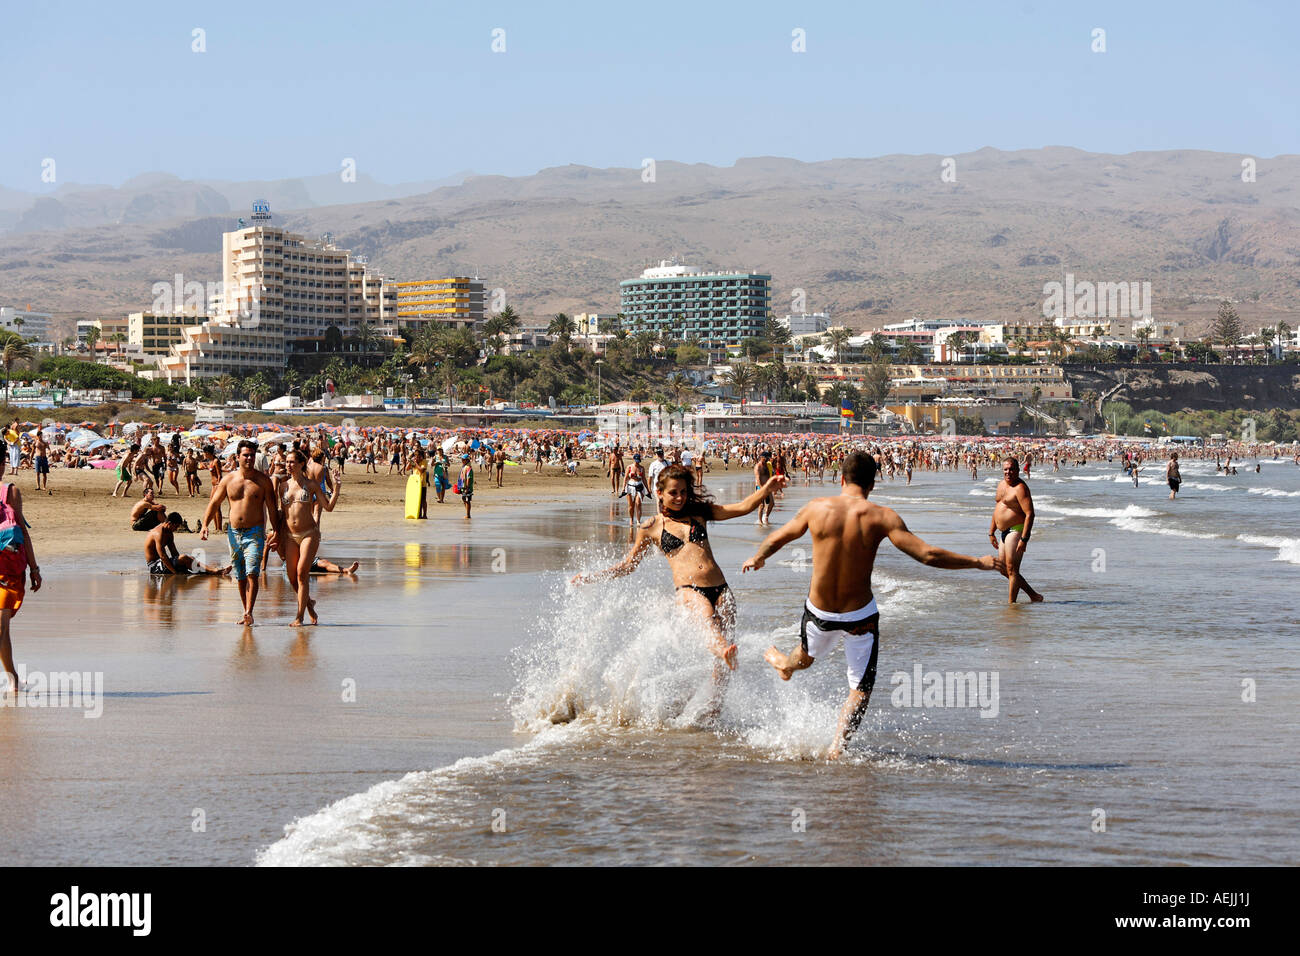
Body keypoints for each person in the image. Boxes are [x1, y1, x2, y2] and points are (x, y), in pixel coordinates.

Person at [743, 451, 998, 759]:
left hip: (819, 610)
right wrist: (977, 562)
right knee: (860, 690)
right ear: (872, 484)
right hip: (859, 616)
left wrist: (759, 556)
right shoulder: (882, 516)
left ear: (841, 478)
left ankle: (785, 663)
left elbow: (779, 538)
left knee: (806, 656)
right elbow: (927, 555)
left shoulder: (816, 508)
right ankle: (838, 747)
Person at [573, 465, 789, 676]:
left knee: (724, 660)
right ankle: (723, 650)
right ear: (659, 493)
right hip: (689, 590)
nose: (679, 497)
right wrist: (592, 577)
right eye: (673, 493)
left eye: (683, 492)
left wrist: (767, 489)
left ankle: (714, 705)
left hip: (721, 589)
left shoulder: (700, 514)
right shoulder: (651, 527)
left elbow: (742, 507)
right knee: (709, 627)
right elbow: (628, 565)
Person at [200, 440, 280, 625]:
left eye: (252, 455)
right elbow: (214, 503)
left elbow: (272, 508)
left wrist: (276, 531)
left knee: (252, 572)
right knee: (240, 575)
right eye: (246, 455)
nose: (249, 458)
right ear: (237, 457)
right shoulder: (228, 479)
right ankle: (245, 610)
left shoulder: (263, 481)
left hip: (255, 532)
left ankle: (249, 611)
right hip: (234, 533)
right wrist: (205, 525)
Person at [278, 450, 342, 626]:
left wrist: (336, 489)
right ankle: (309, 605)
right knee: (291, 577)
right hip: (290, 535)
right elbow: (282, 514)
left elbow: (328, 507)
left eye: (292, 462)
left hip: (309, 534)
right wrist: (276, 535)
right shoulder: (282, 486)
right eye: (287, 462)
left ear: (301, 464)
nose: (288, 465)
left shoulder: (311, 485)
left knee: (301, 574)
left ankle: (299, 617)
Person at [0, 480, 40, 693]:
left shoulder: (10, 491)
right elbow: (22, 531)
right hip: (8, 567)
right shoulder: (10, 491)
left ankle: (12, 680)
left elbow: (22, 531)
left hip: (7, 569)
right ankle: (13, 678)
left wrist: (34, 568)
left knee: (1, 627)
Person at [989, 457, 1043, 604]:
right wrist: (991, 531)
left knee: (1012, 569)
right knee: (1003, 569)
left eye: (1011, 469)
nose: (1008, 472)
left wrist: (1024, 539)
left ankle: (1011, 605)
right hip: (1003, 532)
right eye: (1005, 469)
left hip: (1016, 530)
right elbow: (997, 508)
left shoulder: (1020, 488)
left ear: (1018, 470)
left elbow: (1030, 514)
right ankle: (1034, 595)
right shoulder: (1001, 485)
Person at [145, 512, 228, 575]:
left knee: (189, 558)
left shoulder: (169, 532)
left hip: (163, 563)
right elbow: (163, 556)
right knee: (184, 558)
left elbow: (174, 552)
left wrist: (181, 564)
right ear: (169, 523)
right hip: (154, 566)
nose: (176, 529)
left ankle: (208, 572)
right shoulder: (158, 533)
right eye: (176, 526)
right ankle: (212, 571)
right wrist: (174, 572)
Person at [620, 454, 648, 526]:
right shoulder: (629, 467)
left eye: (638, 461)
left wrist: (647, 488)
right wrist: (623, 488)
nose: (637, 463)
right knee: (631, 505)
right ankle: (631, 519)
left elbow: (644, 479)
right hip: (630, 486)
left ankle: (638, 520)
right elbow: (626, 478)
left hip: (639, 485)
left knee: (638, 503)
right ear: (634, 460)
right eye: (636, 461)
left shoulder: (642, 468)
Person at [753, 451, 776, 525]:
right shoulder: (758, 467)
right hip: (760, 487)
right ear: (762, 457)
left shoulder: (767, 465)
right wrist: (762, 489)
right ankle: (760, 521)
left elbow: (769, 476)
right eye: (766, 458)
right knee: (761, 505)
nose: (767, 460)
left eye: (768, 459)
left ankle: (765, 517)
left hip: (767, 487)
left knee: (772, 503)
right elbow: (758, 479)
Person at [33, 429, 50, 493]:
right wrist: (30, 459)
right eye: (40, 436)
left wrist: (49, 451)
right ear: (37, 436)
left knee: (44, 473)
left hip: (44, 458)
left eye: (41, 435)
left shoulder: (44, 442)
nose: (41, 437)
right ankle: (38, 486)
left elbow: (48, 448)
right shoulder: (35, 442)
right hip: (37, 458)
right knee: (37, 473)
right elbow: (32, 451)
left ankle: (44, 486)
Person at [458, 453, 474, 519]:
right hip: (463, 486)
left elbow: (468, 478)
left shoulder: (468, 468)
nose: (462, 461)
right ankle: (467, 513)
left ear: (467, 460)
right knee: (464, 499)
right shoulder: (464, 467)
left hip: (467, 487)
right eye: (462, 459)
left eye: (463, 459)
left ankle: (468, 514)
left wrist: (467, 487)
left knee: (467, 500)